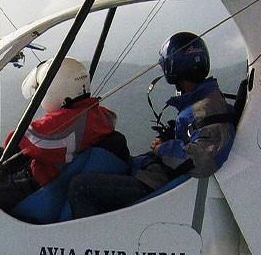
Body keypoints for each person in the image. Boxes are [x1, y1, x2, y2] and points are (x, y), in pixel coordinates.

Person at [67, 31, 235, 219]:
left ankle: (92, 243)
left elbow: (203, 160)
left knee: (79, 187)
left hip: (156, 181)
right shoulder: (202, 101)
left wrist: (163, 147)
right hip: (153, 172)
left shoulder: (206, 108)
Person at [0, 56, 122, 211]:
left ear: (53, 89)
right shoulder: (100, 114)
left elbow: (15, 139)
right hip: (59, 172)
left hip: (34, 184)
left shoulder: (66, 122)